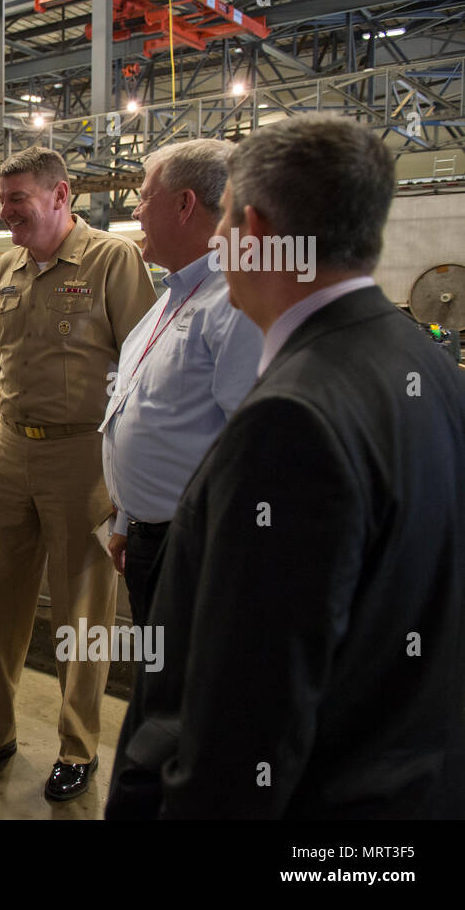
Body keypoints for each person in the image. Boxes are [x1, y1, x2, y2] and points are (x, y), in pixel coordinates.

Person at [106, 115, 465, 819]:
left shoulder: (289, 422)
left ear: (258, 229)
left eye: (224, 227)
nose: (215, 245)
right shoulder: (430, 366)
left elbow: (244, 715)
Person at [0, 147, 155, 801]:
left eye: (18, 199)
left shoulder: (111, 261)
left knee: (82, 611)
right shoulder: (9, 267)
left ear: (60, 193)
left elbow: (143, 370)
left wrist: (130, 479)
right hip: (12, 450)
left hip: (83, 457)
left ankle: (77, 745)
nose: (5, 211)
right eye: (2, 198)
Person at [101, 139, 262, 625]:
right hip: (152, 539)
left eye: (145, 197)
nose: (136, 210)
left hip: (203, 551)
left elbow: (258, 453)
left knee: (200, 694)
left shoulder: (237, 305)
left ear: (184, 203)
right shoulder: (171, 298)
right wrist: (130, 519)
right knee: (166, 689)